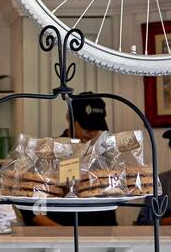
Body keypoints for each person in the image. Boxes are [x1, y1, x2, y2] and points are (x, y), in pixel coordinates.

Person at [26, 96, 118, 228]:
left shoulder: (103, 156)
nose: (92, 132)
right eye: (87, 126)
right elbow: (33, 211)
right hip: (58, 239)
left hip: (102, 239)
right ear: (69, 118)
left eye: (97, 126)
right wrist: (65, 235)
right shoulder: (48, 153)